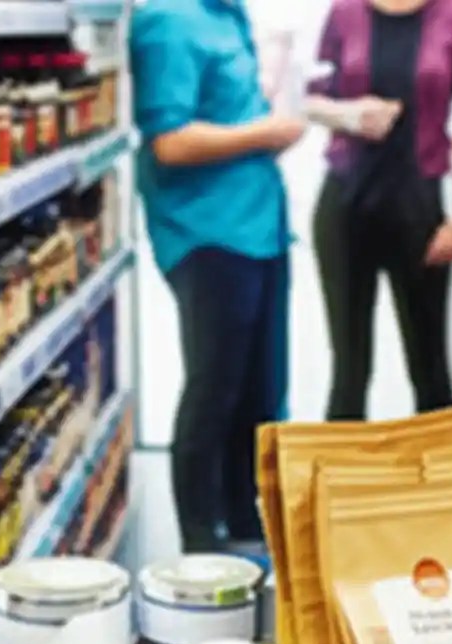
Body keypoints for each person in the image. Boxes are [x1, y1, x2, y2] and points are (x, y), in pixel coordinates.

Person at [130, 0, 307, 552]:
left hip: (260, 225)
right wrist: (265, 134)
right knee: (216, 386)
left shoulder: (228, 15)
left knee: (261, 387)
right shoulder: (169, 20)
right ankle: (201, 540)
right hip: (208, 233)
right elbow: (170, 141)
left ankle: (245, 520)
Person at [305, 0, 452, 421]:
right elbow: (310, 101)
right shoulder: (344, 13)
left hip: (419, 214)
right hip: (345, 210)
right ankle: (347, 486)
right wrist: (349, 115)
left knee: (431, 373)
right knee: (348, 374)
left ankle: (438, 485)